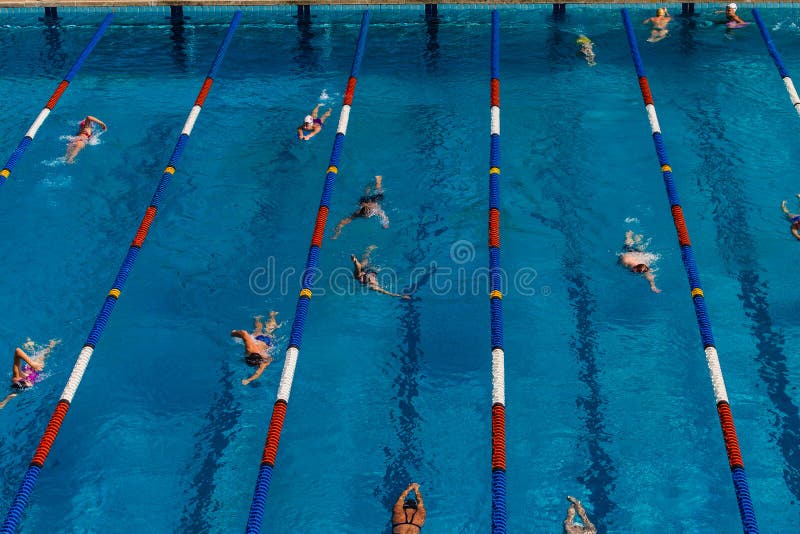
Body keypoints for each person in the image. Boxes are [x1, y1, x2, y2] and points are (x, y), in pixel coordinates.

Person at [0, 339, 60, 410]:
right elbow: (13, 394)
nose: (30, 383)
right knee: (15, 393)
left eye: (27, 383)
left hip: (33, 365)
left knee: (44, 354)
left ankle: (50, 345)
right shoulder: (21, 387)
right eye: (28, 385)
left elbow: (17, 350)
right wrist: (4, 402)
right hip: (35, 371)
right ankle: (30, 345)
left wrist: (32, 364)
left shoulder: (17, 375)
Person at [231, 311, 281, 386]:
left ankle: (269, 316)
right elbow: (258, 373)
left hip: (267, 343)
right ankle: (269, 316)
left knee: (265, 330)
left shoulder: (264, 360)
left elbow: (258, 373)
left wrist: (233, 333)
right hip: (262, 342)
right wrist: (234, 333)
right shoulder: (251, 350)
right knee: (262, 330)